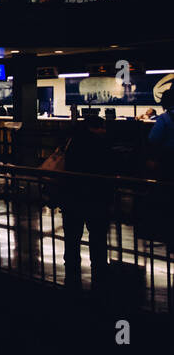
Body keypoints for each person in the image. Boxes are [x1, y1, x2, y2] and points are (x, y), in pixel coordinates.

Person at [62, 112, 114, 289]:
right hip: (96, 197)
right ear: (96, 128)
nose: (105, 131)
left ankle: (71, 271)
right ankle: (99, 270)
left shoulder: (72, 141)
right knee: (98, 235)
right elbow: (109, 169)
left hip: (72, 195)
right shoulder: (101, 145)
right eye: (102, 127)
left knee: (72, 236)